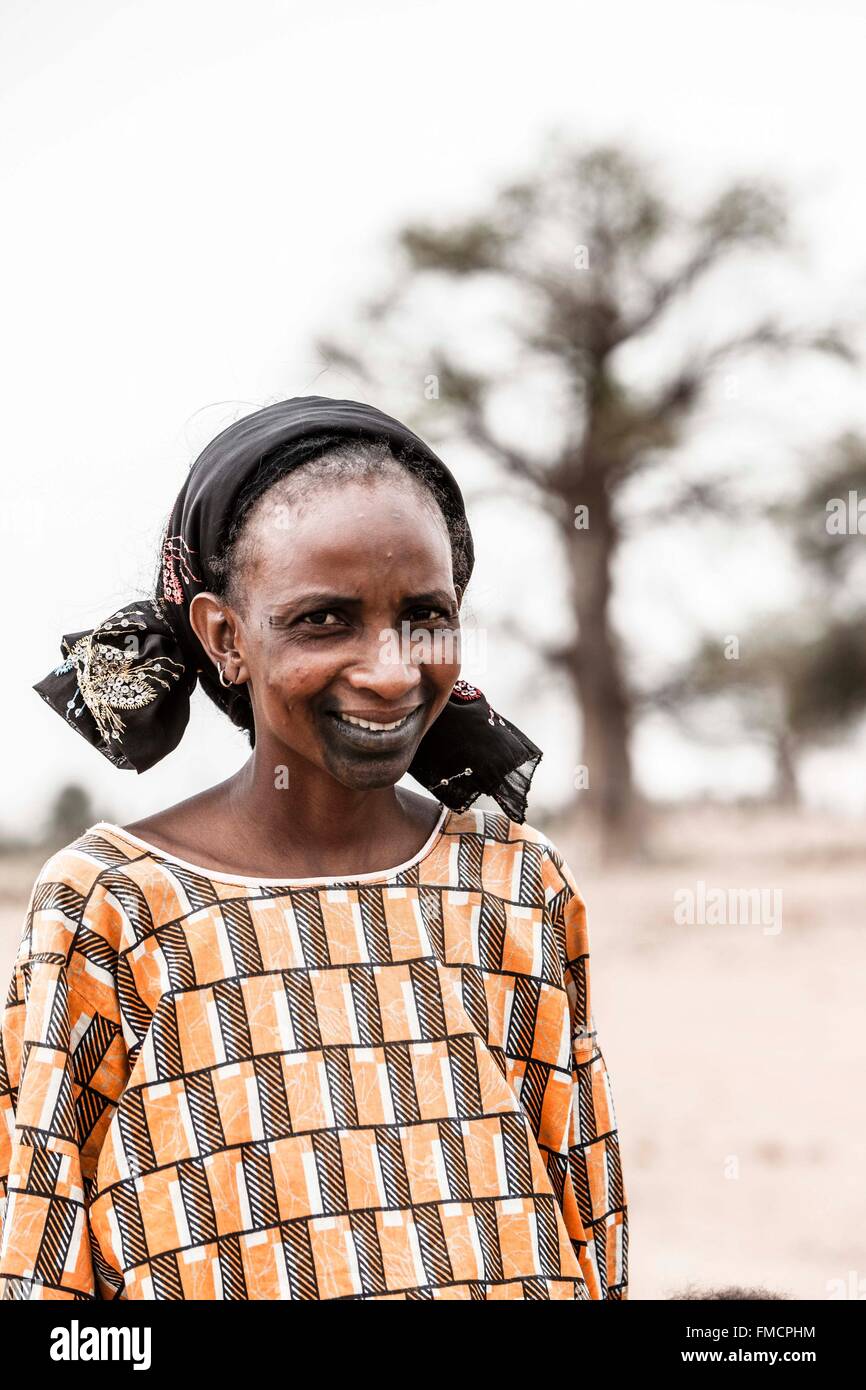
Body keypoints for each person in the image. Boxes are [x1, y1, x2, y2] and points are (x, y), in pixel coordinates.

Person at [0, 396, 628, 1301]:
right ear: (225, 637)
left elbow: (588, 1214)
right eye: (324, 621)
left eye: (424, 616)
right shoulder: (115, 908)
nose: (389, 670)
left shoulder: (515, 885)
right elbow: (38, 1258)